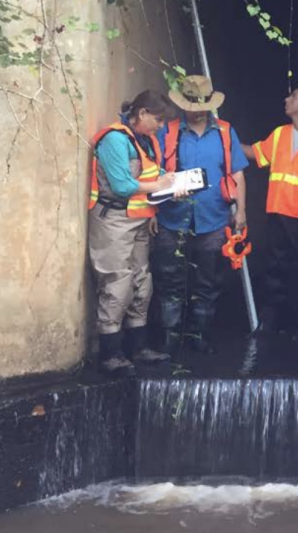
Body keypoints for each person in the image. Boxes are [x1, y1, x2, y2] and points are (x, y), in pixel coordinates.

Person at [152, 75, 250, 354]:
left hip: (214, 218)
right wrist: (151, 212)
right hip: (171, 217)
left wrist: (241, 211)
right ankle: (170, 335)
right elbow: (153, 173)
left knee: (209, 279)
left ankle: (200, 334)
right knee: (169, 277)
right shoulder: (167, 131)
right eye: (192, 106)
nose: (197, 112)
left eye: (201, 106)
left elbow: (237, 173)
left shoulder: (225, 132)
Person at [88, 90, 177, 376]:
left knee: (141, 281)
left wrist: (172, 187)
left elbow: (151, 177)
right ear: (142, 114)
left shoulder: (146, 139)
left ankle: (138, 348)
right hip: (113, 220)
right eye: (158, 120)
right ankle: (110, 354)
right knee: (116, 283)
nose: (161, 126)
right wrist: (161, 185)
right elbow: (122, 186)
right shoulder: (115, 139)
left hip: (139, 220)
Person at [240, 86, 298, 334]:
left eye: (293, 96)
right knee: (275, 267)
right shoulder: (279, 134)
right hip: (277, 212)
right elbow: (254, 153)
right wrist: (225, 137)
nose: (287, 99)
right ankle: (279, 320)